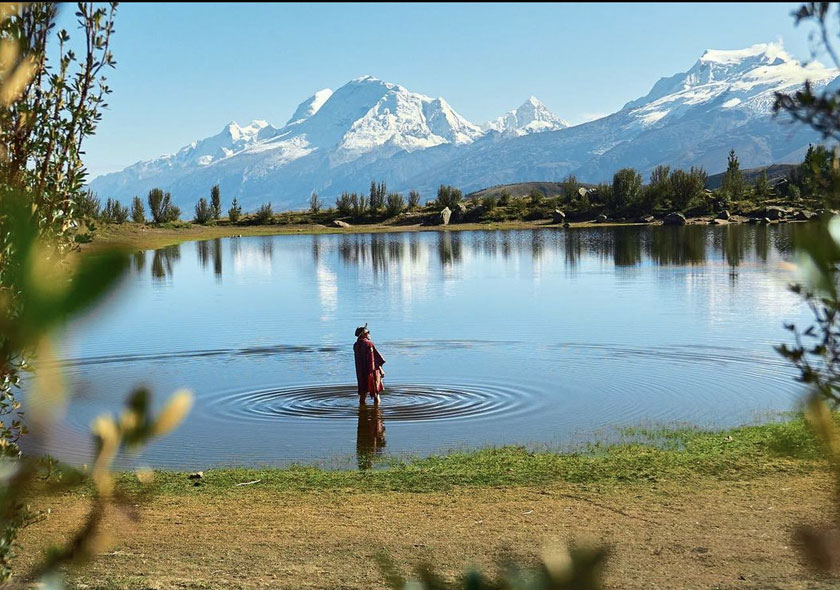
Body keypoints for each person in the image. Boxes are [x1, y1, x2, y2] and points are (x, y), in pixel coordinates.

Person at [353, 323, 385, 405]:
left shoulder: (356, 345)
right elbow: (374, 359)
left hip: (361, 372)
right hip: (371, 371)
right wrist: (381, 370)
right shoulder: (369, 344)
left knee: (363, 394)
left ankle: (362, 412)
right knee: (376, 394)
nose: (369, 334)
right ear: (363, 334)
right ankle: (377, 412)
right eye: (368, 332)